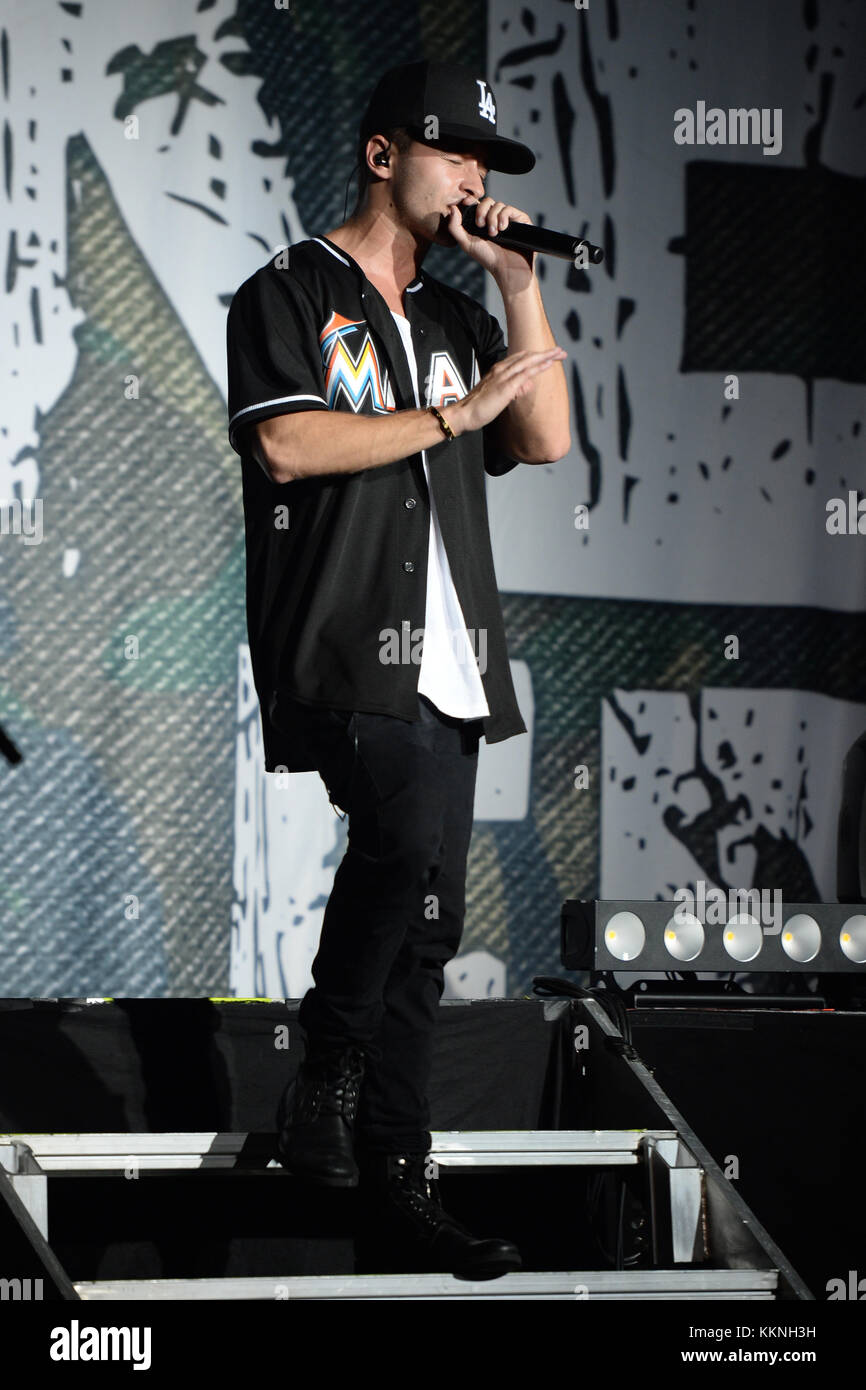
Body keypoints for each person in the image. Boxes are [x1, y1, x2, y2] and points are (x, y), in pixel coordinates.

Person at [225, 59, 570, 1281]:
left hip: (453, 657)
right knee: (400, 845)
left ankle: (394, 1172)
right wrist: (443, 420)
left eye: (490, 162)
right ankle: (323, 1065)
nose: (475, 176)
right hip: (343, 640)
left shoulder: (456, 314)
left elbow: (543, 430)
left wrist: (517, 282)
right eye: (456, 153)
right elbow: (284, 441)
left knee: (432, 918)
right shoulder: (289, 289)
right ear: (384, 154)